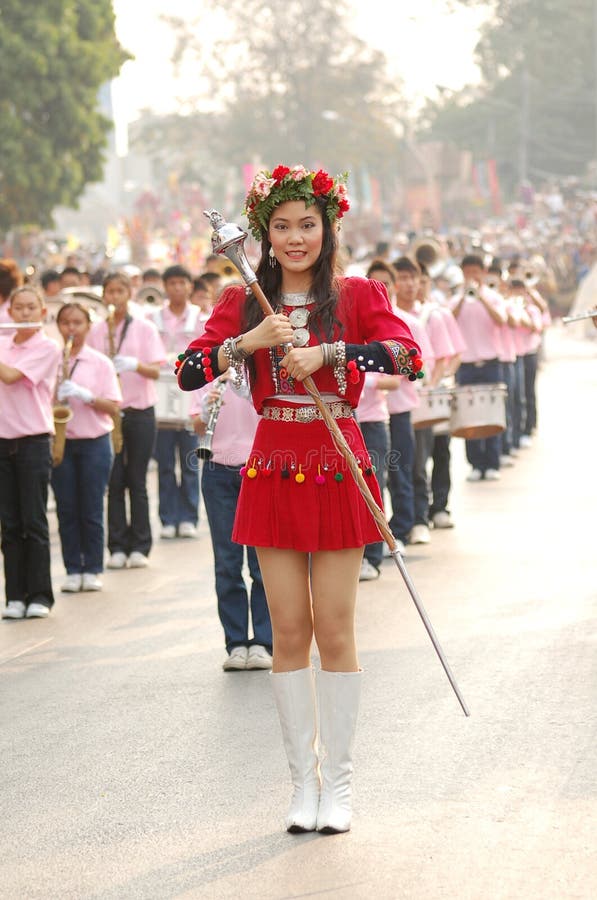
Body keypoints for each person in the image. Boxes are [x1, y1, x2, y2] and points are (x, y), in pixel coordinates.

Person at [177, 164, 421, 834]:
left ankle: (338, 786)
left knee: (335, 627)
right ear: (262, 232)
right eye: (280, 227)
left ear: (326, 227)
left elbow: (409, 359)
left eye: (305, 225)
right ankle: (301, 785)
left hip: (337, 458)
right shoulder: (241, 300)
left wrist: (332, 353)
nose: (294, 238)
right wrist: (244, 344)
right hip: (273, 462)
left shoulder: (357, 293)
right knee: (287, 628)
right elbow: (188, 371)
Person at [189, 373, 273, 670]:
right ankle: (236, 642)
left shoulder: (260, 368)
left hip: (259, 468)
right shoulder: (206, 376)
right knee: (227, 562)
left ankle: (264, 641)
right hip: (217, 470)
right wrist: (204, 410)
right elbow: (197, 427)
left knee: (261, 561)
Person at [87, 272, 166, 569]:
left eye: (120, 291)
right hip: (109, 410)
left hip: (139, 410)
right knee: (114, 480)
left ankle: (140, 546)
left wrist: (134, 365)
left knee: (137, 479)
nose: (115, 297)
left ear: (129, 293)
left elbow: (158, 371)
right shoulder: (96, 330)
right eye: (110, 292)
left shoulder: (144, 328)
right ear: (104, 295)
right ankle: (117, 545)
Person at [51, 303, 122, 592]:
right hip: (62, 441)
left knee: (91, 507)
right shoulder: (52, 359)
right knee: (66, 508)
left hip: (94, 442)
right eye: (65, 323)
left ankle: (92, 567)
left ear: (88, 326)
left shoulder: (100, 362)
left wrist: (85, 396)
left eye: (77, 323)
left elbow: (114, 407)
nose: (71, 329)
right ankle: (72, 568)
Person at [0, 286, 61, 619]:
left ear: (40, 313)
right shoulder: (3, 343)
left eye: (29, 308)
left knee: (34, 521)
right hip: (2, 440)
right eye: (17, 308)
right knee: (9, 523)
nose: (23, 314)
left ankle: (39, 595)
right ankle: (15, 595)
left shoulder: (47, 347)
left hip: (33, 441)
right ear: (9, 313)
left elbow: (10, 377)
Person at [147, 265, 201, 539]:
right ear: (165, 287)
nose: (178, 288)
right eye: (172, 283)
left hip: (190, 398)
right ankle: (168, 517)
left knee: (190, 461)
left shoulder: (200, 318)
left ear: (190, 286)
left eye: (183, 283)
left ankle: (189, 516)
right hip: (161, 396)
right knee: (165, 463)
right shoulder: (152, 318)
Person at [451, 254, 507, 481]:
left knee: (491, 413)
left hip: (491, 361)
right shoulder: (456, 298)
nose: (472, 276)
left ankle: (492, 462)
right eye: (468, 272)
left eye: (476, 271)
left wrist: (481, 297)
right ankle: (475, 463)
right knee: (469, 416)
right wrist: (464, 297)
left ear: (483, 273)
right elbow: (449, 320)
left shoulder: (493, 296)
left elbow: (501, 321)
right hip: (466, 364)